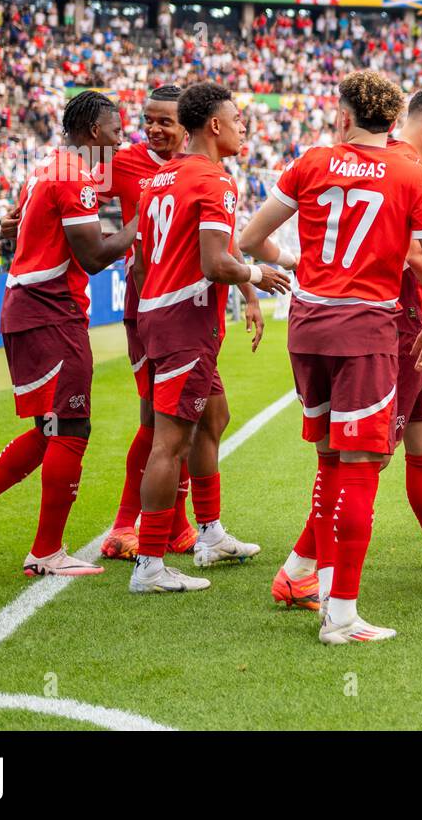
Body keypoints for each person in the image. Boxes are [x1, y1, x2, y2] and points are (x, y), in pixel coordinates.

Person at [267, 84, 422, 609]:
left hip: (407, 325)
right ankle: (304, 571)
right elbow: (411, 260)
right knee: (362, 459)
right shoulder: (399, 164)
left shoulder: (410, 169)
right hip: (388, 329)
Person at [240, 70, 422, 643]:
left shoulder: (312, 161)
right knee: (361, 466)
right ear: (392, 121)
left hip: (308, 326)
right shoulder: (410, 172)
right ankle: (341, 616)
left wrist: (293, 264)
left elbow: (248, 239)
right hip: (364, 330)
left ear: (343, 116)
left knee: (332, 459)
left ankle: (306, 577)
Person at [0, 91, 138, 576]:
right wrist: (138, 223)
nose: (120, 138)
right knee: (71, 426)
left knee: (50, 430)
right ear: (93, 133)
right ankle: (46, 553)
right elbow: (91, 256)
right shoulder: (75, 175)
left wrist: (16, 231)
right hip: (49, 311)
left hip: (30, 306)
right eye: (115, 129)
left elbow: (17, 224)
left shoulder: (47, 162)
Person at [129, 83, 290, 594]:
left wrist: (157, 301)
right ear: (214, 126)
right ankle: (149, 564)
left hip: (159, 314)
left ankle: (211, 533)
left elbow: (139, 265)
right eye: (238, 118)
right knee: (169, 441)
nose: (245, 127)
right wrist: (257, 277)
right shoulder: (215, 181)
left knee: (214, 416)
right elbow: (215, 261)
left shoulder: (158, 178)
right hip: (185, 321)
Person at [99, 85, 213, 561]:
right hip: (148, 310)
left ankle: (181, 526)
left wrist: (246, 293)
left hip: (193, 312)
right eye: (148, 120)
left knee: (197, 416)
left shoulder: (200, 170)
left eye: (165, 121)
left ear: (187, 127)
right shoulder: (124, 163)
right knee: (156, 421)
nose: (154, 128)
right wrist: (26, 209)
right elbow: (68, 183)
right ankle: (125, 526)